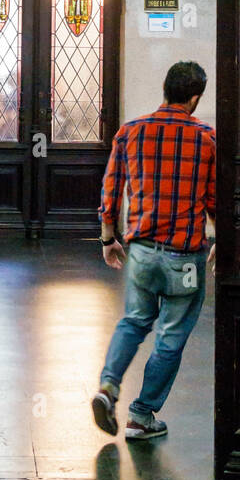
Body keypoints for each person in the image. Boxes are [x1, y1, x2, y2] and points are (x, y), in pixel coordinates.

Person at [92, 61, 216, 441]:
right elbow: (214, 198)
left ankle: (108, 387)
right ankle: (141, 415)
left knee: (133, 321)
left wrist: (107, 238)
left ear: (165, 89)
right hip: (185, 256)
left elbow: (111, 189)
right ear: (194, 98)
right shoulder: (207, 139)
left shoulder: (131, 131)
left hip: (142, 250)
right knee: (171, 337)